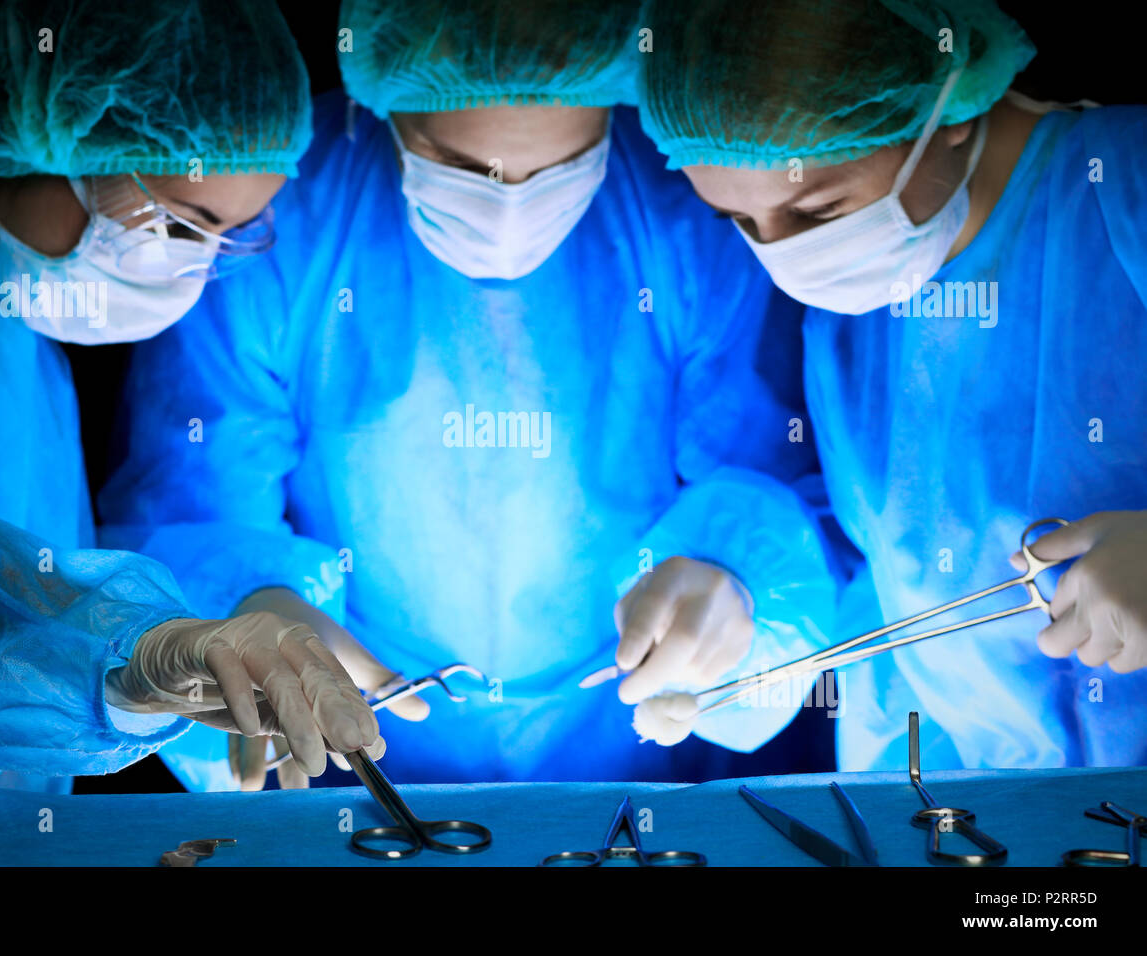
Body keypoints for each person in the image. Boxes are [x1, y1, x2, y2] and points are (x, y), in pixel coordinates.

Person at [100, 0, 837, 790]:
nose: (509, 204)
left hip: (644, 761)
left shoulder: (688, 205)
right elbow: (189, 503)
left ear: (614, 104)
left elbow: (766, 478)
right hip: (349, 762)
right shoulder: (281, 204)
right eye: (451, 159)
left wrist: (735, 586)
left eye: (561, 167)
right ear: (385, 98)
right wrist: (248, 606)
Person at [0, 0, 381, 800]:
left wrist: (206, 690)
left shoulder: (17, 318)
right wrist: (135, 647)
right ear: (54, 124)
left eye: (224, 239)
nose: (191, 272)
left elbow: (21, 616)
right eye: (179, 224)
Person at [637, 0, 1147, 769]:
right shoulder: (855, 311)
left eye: (817, 207)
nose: (785, 257)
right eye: (735, 220)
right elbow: (880, 567)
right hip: (944, 803)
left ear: (947, 108)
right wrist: (742, 594)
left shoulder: (1125, 187)